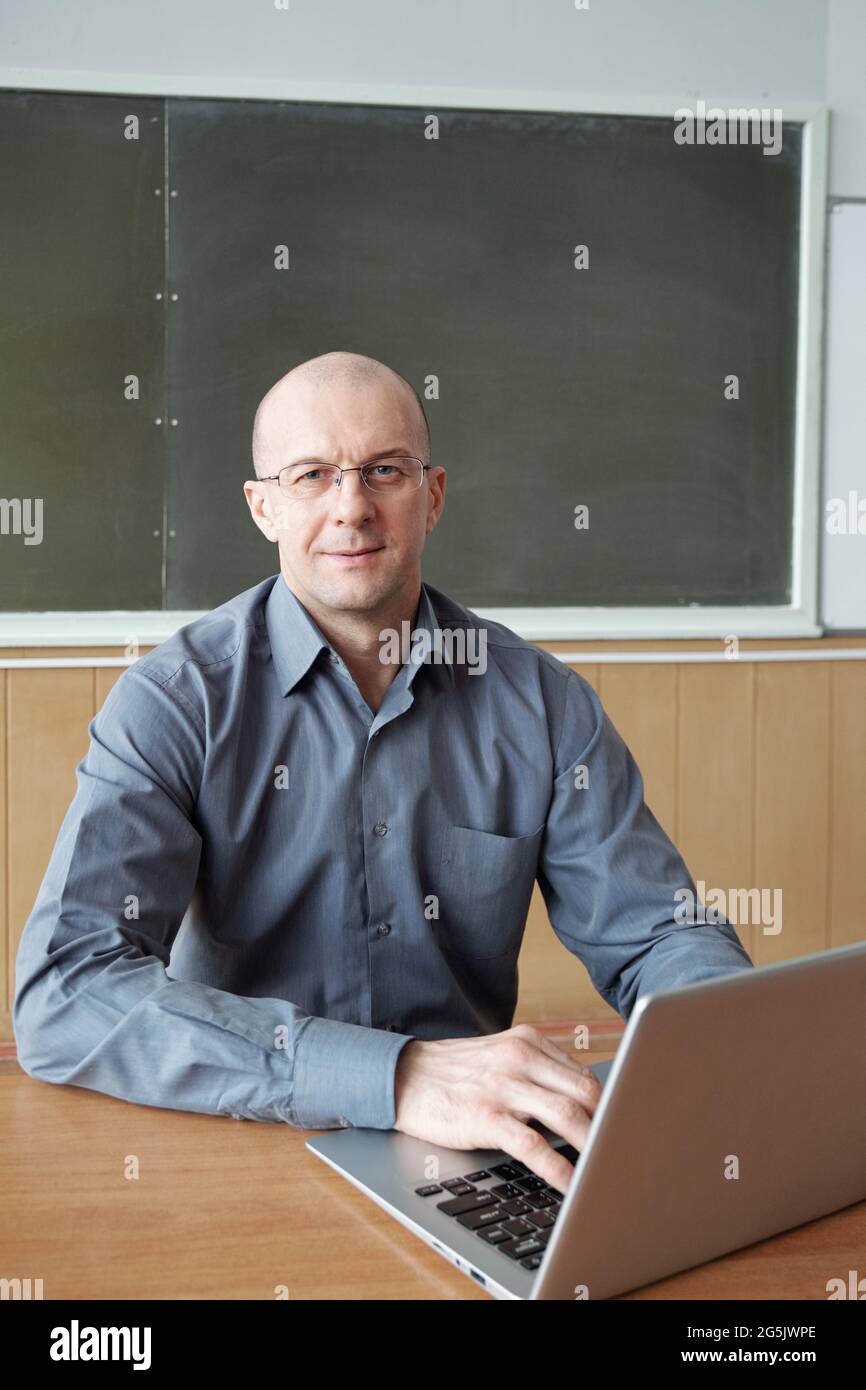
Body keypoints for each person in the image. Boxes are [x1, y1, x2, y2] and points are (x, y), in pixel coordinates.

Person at [13, 351, 753, 1193]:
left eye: (384, 471)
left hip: (470, 1164)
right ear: (263, 507)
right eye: (313, 475)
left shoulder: (542, 705)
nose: (352, 507)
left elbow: (659, 936)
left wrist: (723, 1047)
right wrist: (395, 1076)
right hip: (237, 1146)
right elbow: (66, 989)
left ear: (431, 496)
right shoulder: (177, 702)